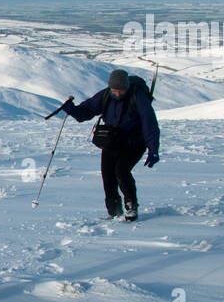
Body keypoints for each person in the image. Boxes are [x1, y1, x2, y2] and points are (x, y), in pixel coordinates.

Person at [59, 68, 160, 221]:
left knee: (121, 171)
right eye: (114, 90)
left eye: (121, 91)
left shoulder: (137, 97)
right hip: (111, 141)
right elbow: (86, 110)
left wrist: (153, 149)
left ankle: (131, 206)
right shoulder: (105, 95)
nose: (117, 94)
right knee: (108, 177)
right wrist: (72, 110)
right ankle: (114, 211)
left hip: (134, 143)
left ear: (127, 87)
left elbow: (149, 122)